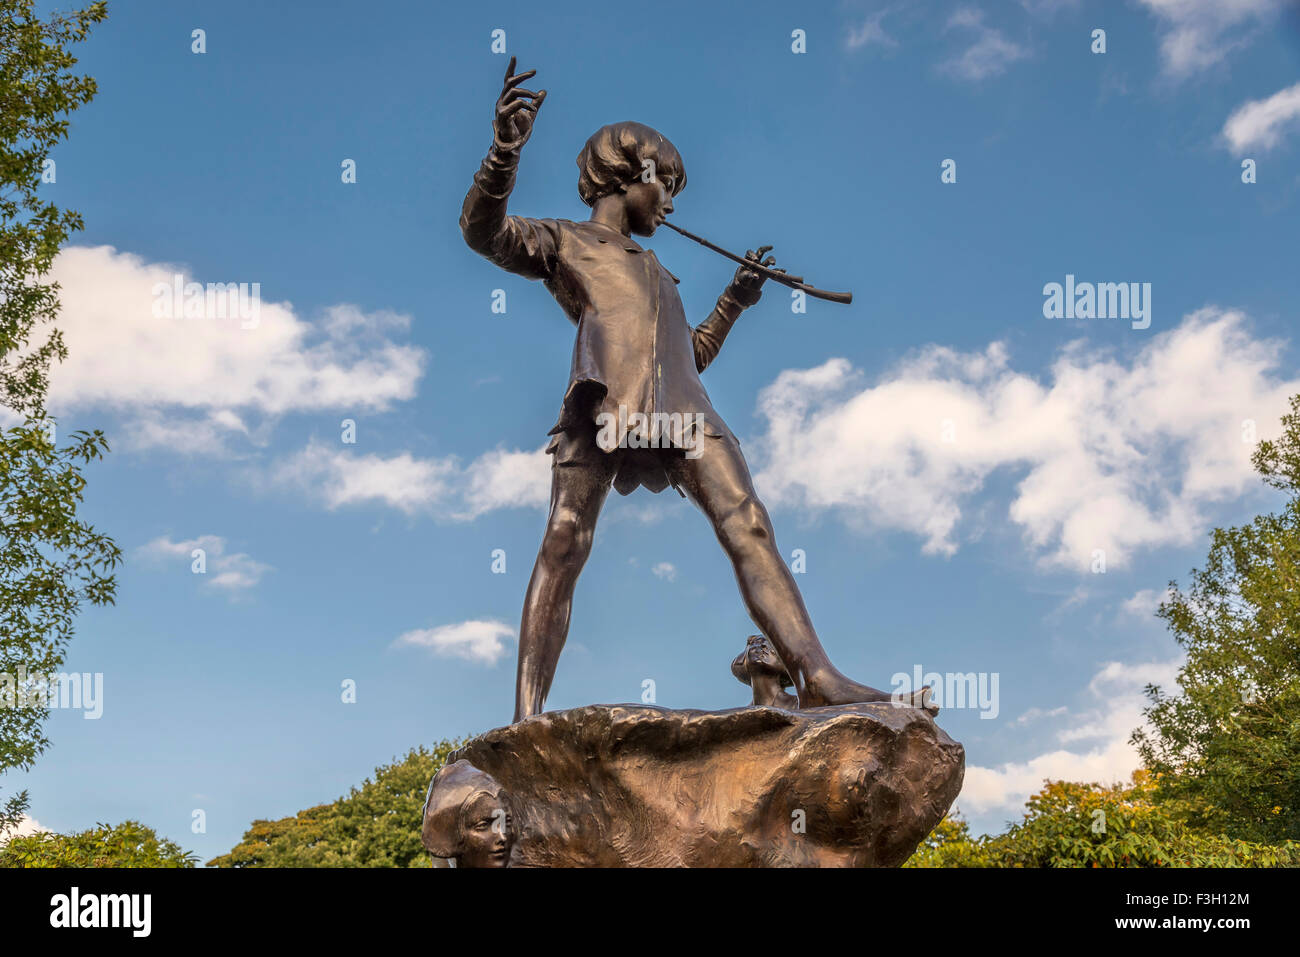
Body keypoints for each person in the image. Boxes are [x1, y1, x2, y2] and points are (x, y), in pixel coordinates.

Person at [461, 58, 933, 723]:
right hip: (604, 408)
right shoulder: (565, 241)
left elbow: (689, 356)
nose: (673, 203)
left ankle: (817, 675)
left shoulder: (661, 275)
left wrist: (736, 301)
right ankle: (526, 716)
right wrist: (504, 154)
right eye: (669, 187)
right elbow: (485, 233)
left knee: (749, 520)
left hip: (682, 412)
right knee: (565, 541)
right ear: (638, 176)